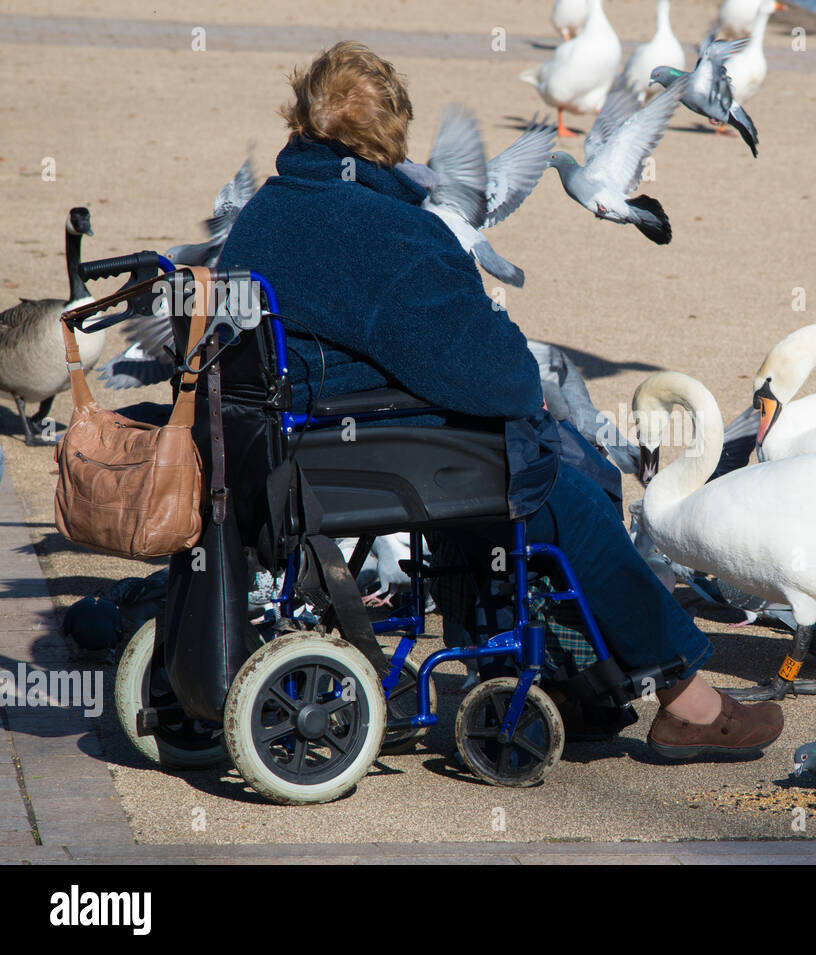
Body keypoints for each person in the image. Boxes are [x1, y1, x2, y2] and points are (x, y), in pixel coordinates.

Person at [217, 41, 782, 759]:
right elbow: (499, 377)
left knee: (528, 468)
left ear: (301, 116)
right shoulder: (380, 229)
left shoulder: (267, 211)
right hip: (352, 454)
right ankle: (685, 701)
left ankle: (558, 673)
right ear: (391, 136)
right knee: (561, 488)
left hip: (291, 441)